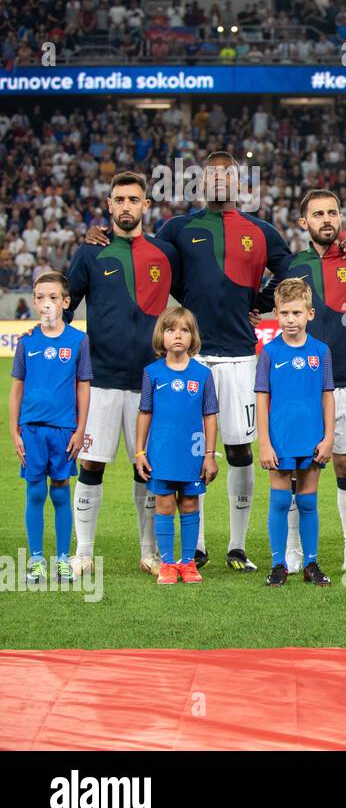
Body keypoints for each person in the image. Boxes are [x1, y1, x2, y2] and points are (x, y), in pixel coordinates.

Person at [87, 151, 310, 572]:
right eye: (211, 176)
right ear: (201, 183)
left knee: (240, 449)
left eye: (227, 175)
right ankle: (199, 543)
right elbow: (143, 256)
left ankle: (238, 546)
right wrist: (102, 236)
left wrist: (258, 301)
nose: (219, 181)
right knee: (193, 449)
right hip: (194, 359)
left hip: (242, 358)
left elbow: (294, 275)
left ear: (239, 181)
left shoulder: (261, 232)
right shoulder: (177, 229)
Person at [65, 171, 179, 577]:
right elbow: (64, 308)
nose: (126, 206)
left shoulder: (165, 253)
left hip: (151, 381)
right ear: (109, 205)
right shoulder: (88, 254)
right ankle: (83, 552)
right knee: (91, 465)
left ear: (146, 205)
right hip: (100, 381)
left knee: (144, 466)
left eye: (134, 199)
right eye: (119, 200)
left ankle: (149, 552)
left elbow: (196, 292)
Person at [274, 189, 346, 576]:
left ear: (340, 218)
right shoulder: (291, 265)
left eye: (332, 213)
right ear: (303, 222)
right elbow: (260, 299)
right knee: (293, 467)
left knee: (344, 462)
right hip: (299, 386)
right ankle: (291, 550)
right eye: (317, 214)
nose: (327, 219)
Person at [9, 272, 91, 584]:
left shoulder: (79, 341)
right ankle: (36, 559)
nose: (47, 303)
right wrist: (14, 431)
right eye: (41, 297)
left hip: (64, 431)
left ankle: (61, 560)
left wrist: (81, 430)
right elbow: (16, 389)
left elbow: (83, 388)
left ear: (66, 302)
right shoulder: (26, 342)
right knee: (34, 493)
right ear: (33, 302)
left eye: (53, 297)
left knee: (59, 493)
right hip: (31, 430)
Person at [256, 278, 335, 587]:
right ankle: (279, 564)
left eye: (297, 313)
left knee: (307, 502)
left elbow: (327, 394)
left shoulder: (321, 351)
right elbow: (262, 398)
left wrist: (328, 437)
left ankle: (311, 564)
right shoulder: (269, 353)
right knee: (278, 502)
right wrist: (264, 443)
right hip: (280, 440)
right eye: (285, 313)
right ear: (276, 314)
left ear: (310, 314)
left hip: (313, 438)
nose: (291, 320)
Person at [135, 307, 218, 585]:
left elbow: (210, 416)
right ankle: (168, 564)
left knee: (190, 503)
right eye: (171, 330)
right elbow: (145, 412)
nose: (178, 335)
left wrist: (209, 455)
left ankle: (188, 563)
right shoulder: (152, 373)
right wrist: (139, 452)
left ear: (192, 336)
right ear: (162, 335)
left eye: (184, 330)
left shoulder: (203, 375)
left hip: (192, 454)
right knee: (165, 505)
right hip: (162, 453)